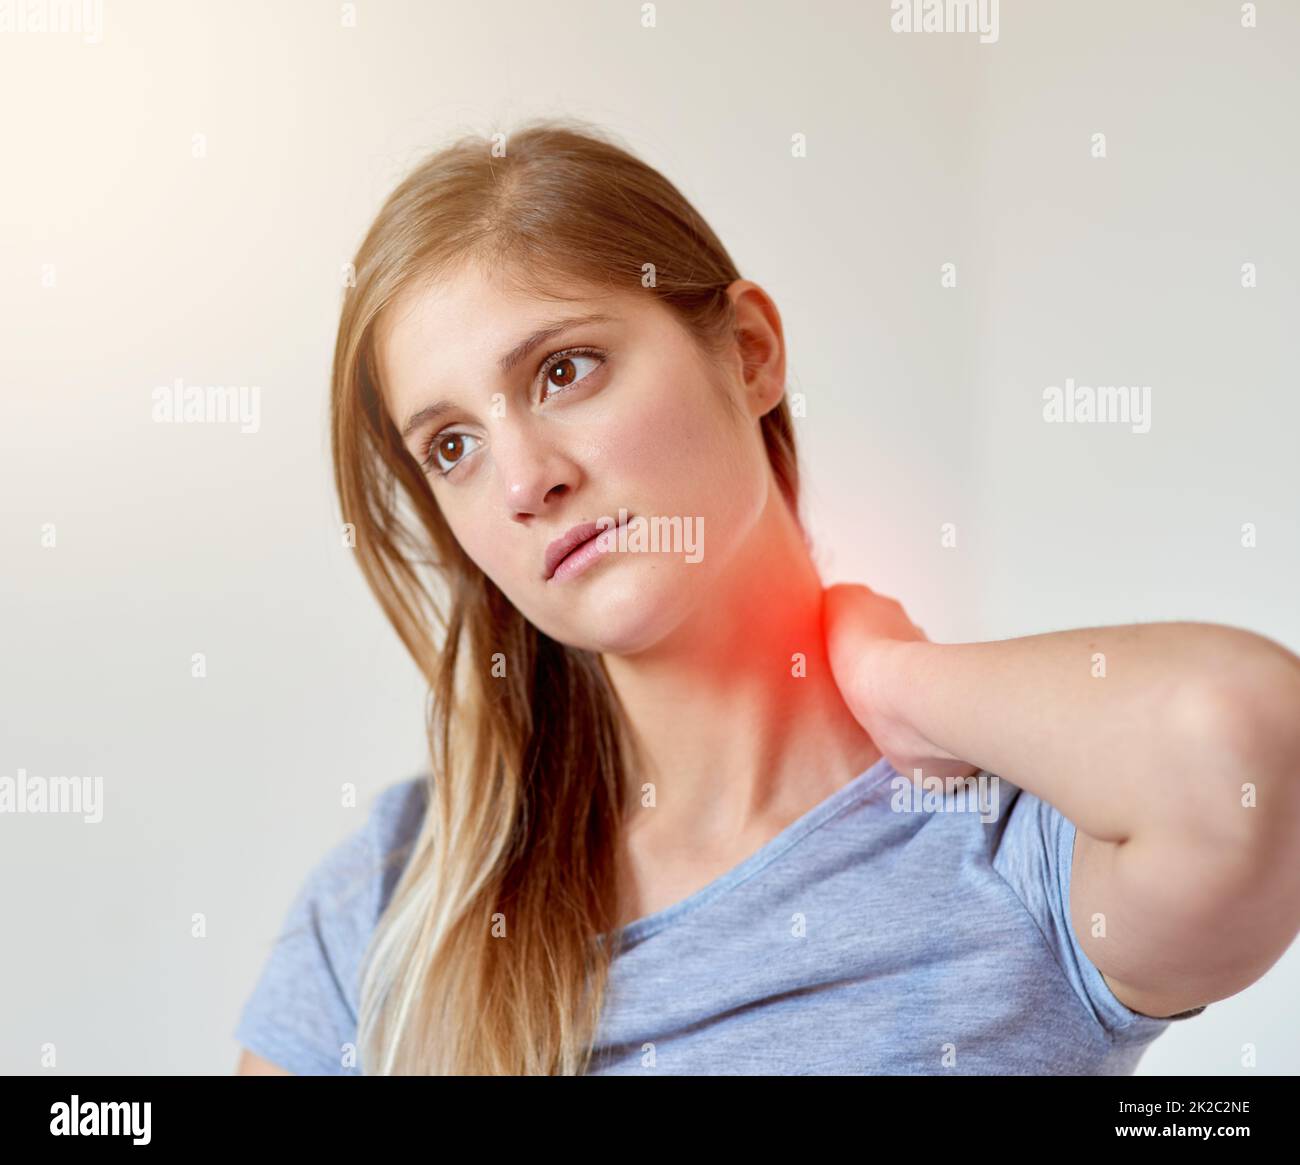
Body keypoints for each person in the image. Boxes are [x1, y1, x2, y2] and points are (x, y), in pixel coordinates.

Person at [234, 117, 1300, 1075]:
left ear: (749, 354)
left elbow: (1247, 740)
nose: (524, 481)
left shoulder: (1013, 855)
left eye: (565, 370)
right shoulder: (393, 902)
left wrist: (896, 676)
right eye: (452, 445)